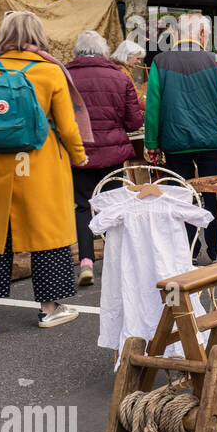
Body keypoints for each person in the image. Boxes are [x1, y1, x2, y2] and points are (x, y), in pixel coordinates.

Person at [0, 11, 89, 334]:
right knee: (48, 235)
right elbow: (67, 125)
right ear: (38, 35)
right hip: (40, 165)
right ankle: (50, 308)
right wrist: (79, 156)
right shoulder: (50, 72)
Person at [145, 12, 217, 261]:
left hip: (174, 141)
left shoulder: (160, 62)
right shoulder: (215, 61)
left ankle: (188, 250)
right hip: (211, 140)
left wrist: (151, 143)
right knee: (214, 196)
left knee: (182, 196)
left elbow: (152, 106)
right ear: (201, 34)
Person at [65, 30, 144, 287]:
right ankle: (115, 259)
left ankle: (86, 261)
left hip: (79, 152)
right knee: (113, 205)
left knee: (81, 206)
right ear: (103, 51)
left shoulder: (64, 76)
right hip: (112, 153)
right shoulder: (119, 78)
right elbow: (133, 122)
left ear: (78, 51)